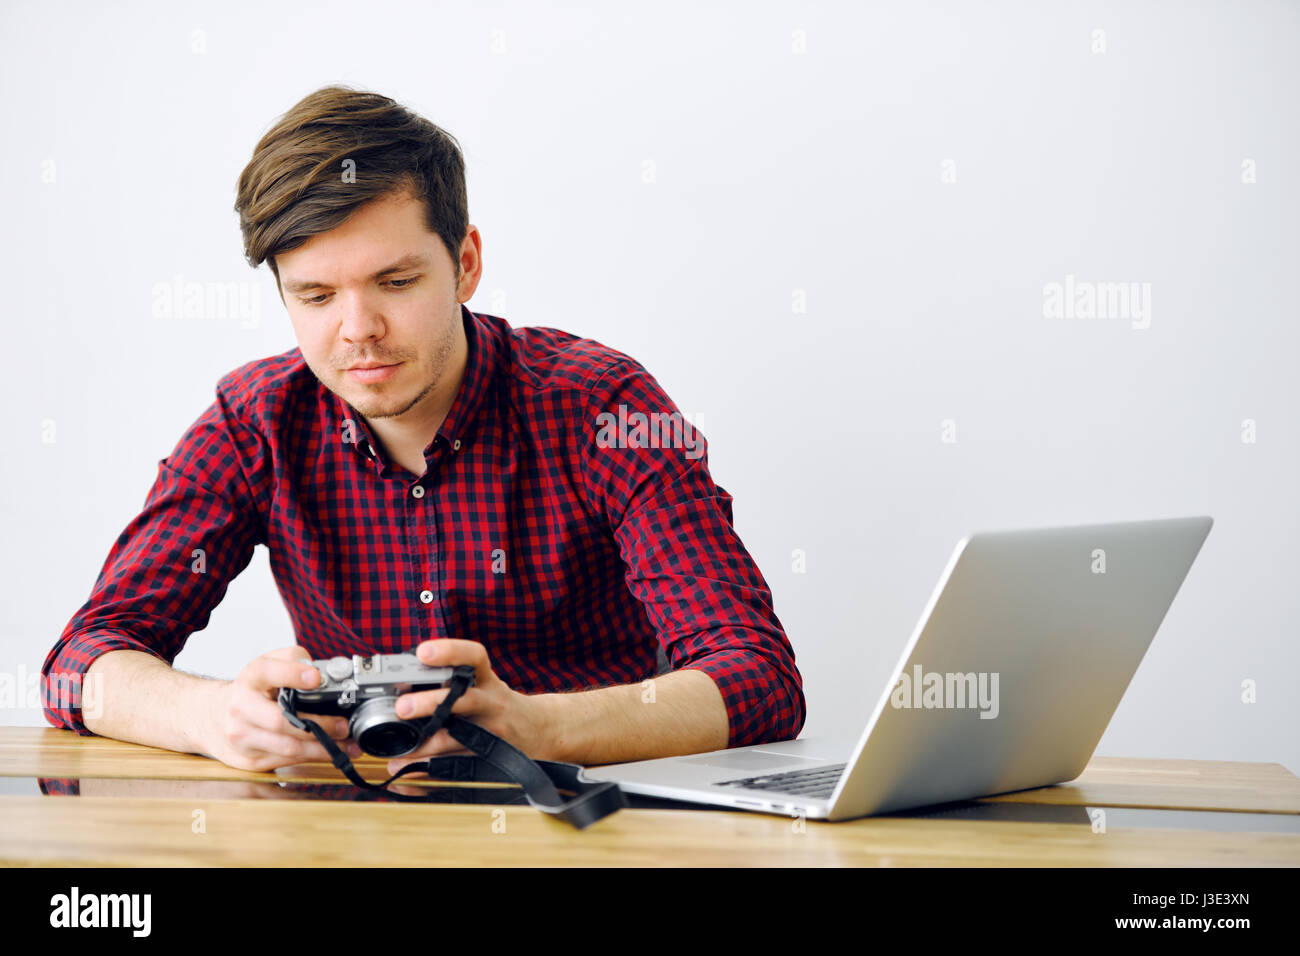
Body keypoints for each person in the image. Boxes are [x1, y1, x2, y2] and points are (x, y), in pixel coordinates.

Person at [42, 85, 805, 776]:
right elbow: (80, 662)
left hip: (603, 822)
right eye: (314, 295)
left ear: (466, 263)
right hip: (371, 831)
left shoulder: (605, 407)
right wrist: (212, 716)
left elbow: (757, 676)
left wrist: (535, 725)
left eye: (396, 282)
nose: (358, 331)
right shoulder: (256, 423)